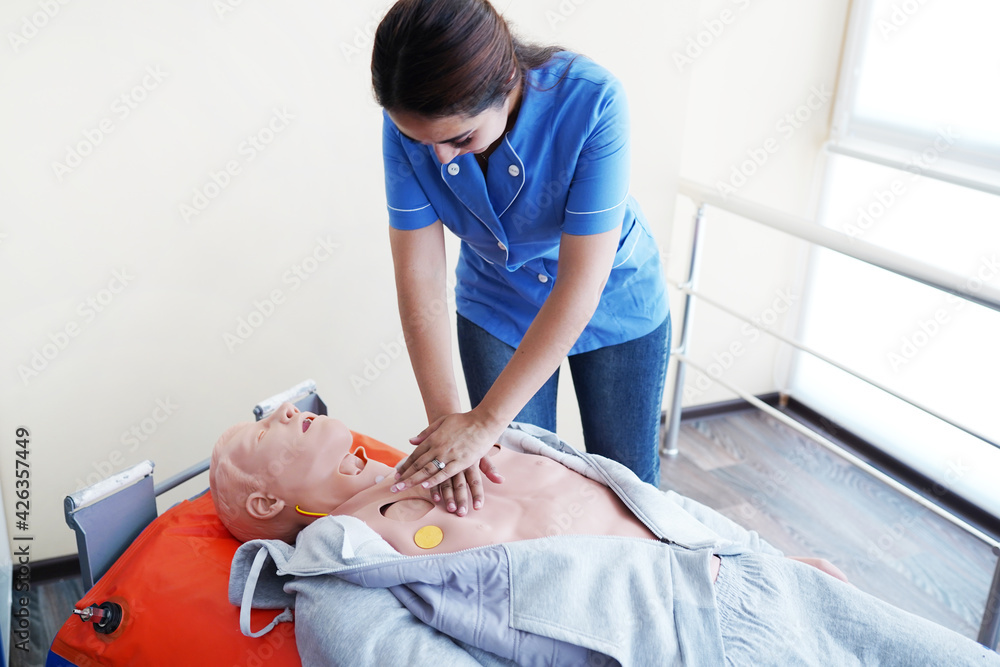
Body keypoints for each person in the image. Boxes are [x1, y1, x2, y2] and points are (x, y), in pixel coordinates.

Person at [212, 403, 1000, 666]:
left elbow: (635, 495)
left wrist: (770, 556)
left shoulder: (462, 439)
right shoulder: (340, 571)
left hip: (758, 582)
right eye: (254, 435)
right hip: (679, 647)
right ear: (260, 503)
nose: (277, 412)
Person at [371, 0, 671, 514]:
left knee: (630, 488)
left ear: (506, 79)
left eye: (459, 138)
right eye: (422, 141)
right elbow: (419, 281)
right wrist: (451, 429)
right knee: (514, 484)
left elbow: (580, 285)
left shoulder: (593, 100)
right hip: (498, 304)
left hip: (614, 299)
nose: (438, 158)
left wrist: (485, 422)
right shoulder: (413, 127)